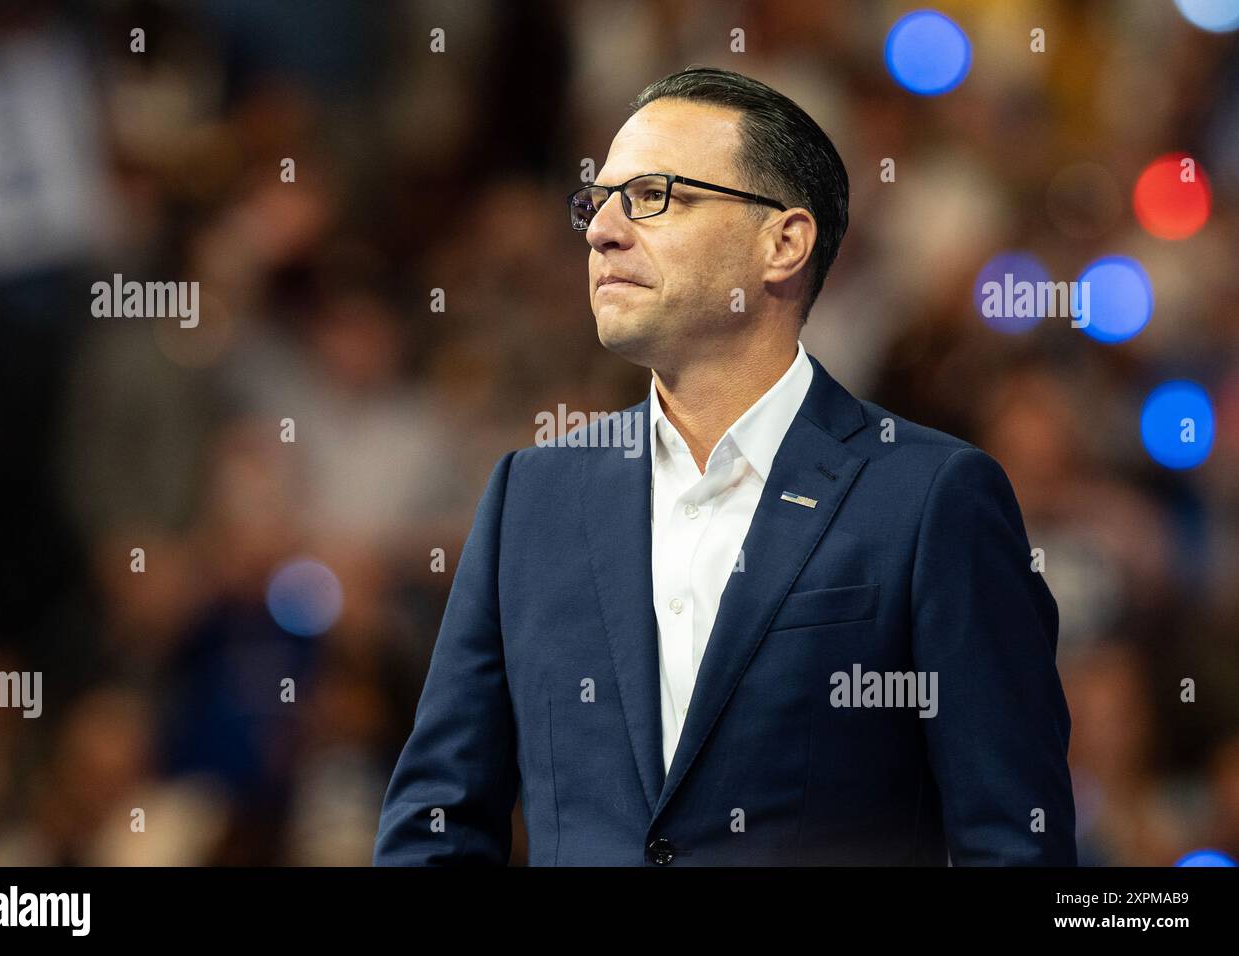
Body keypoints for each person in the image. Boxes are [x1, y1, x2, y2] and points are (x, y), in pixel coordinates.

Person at [374, 66, 1076, 866]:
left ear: (783, 243)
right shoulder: (530, 499)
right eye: (596, 202)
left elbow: (1014, 843)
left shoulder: (931, 498)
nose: (602, 229)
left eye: (652, 195)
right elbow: (437, 824)